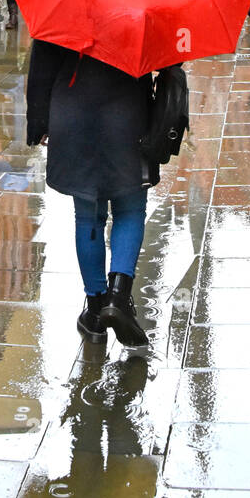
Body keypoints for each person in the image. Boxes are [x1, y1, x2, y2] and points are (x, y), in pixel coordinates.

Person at [26, 40, 159, 348]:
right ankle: (119, 295)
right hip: (128, 111)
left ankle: (96, 310)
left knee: (88, 214)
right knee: (130, 208)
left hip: (74, 111)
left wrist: (40, 121)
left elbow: (43, 61)